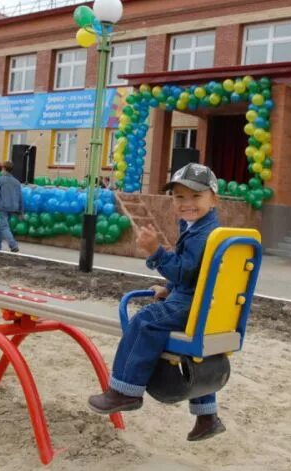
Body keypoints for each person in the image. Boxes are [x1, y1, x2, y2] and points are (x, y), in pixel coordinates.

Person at [88, 163, 226, 442]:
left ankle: (126, 391)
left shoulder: (203, 234)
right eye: (179, 197)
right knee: (184, 343)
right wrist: (169, 289)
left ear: (214, 198)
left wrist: (156, 252)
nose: (187, 204)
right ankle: (207, 416)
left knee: (145, 321)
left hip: (192, 305)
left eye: (196, 196)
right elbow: (196, 274)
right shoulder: (202, 227)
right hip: (205, 303)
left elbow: (184, 271)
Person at [0, 161, 23, 253]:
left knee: (4, 226)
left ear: (3, 168)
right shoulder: (17, 182)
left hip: (3, 206)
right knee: (0, 225)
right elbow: (20, 197)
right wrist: (20, 211)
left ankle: (13, 245)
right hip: (13, 207)